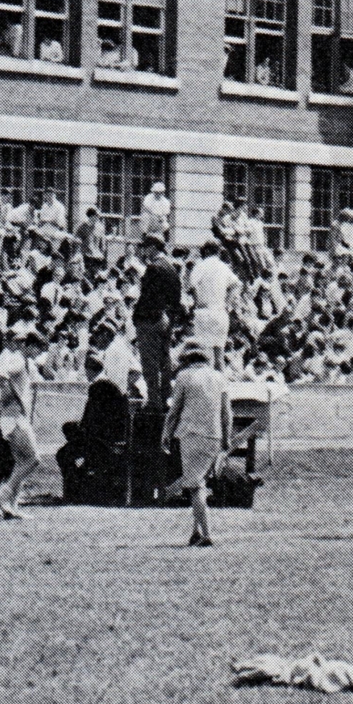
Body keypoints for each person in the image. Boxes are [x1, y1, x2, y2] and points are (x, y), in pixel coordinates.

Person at [162, 345, 232, 548]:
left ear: (188, 360)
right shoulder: (219, 377)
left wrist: (166, 433)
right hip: (214, 435)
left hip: (191, 434)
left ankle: (207, 534)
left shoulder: (184, 376)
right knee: (200, 482)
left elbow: (174, 410)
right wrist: (227, 437)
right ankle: (196, 531)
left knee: (195, 486)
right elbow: (227, 412)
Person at [0, 329, 49, 521]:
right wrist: (9, 395)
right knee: (33, 459)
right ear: (30, 346)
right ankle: (3, 496)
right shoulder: (17, 359)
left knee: (20, 461)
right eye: (38, 349)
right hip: (13, 416)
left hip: (14, 416)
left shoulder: (24, 361)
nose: (39, 354)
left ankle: (12, 507)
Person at [56, 353, 130, 504]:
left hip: (101, 440)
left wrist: (78, 430)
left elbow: (92, 420)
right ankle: (80, 487)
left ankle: (73, 492)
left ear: (88, 370)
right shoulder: (111, 385)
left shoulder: (98, 386)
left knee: (63, 454)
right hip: (112, 437)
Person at [134, 233, 183, 410]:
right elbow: (177, 299)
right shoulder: (171, 268)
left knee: (150, 362)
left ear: (153, 248)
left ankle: (154, 401)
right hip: (166, 319)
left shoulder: (154, 267)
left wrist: (138, 316)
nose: (144, 251)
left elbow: (147, 297)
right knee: (164, 360)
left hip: (151, 319)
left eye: (146, 247)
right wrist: (169, 318)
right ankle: (165, 397)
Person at [188, 239, 240, 371]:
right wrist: (227, 303)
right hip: (220, 313)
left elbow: (192, 285)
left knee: (203, 355)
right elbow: (236, 285)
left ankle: (206, 382)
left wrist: (197, 302)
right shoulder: (224, 267)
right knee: (219, 356)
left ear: (206, 251)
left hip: (204, 311)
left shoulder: (200, 266)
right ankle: (220, 383)